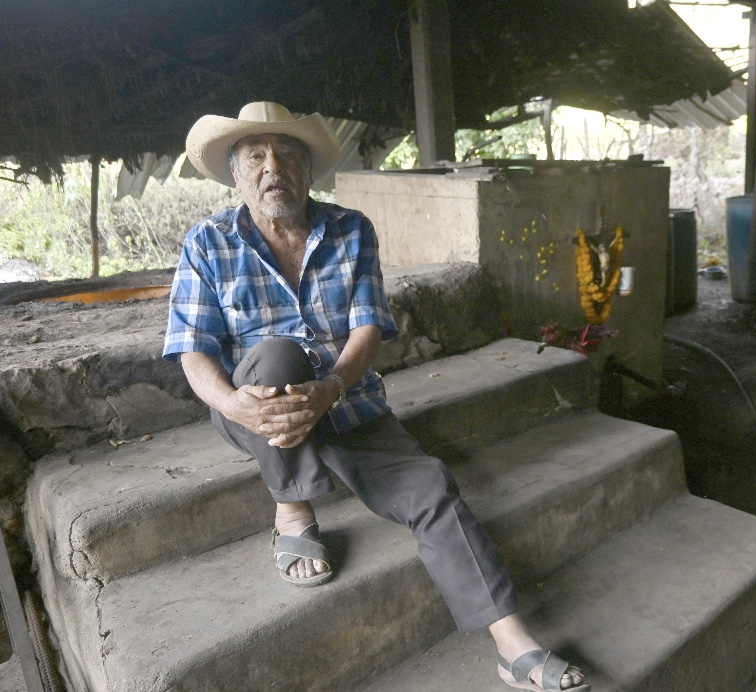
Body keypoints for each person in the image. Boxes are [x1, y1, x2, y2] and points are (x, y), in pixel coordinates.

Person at [163, 101, 589, 692]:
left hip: (347, 402)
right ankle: (293, 506)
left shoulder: (350, 229)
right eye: (255, 156)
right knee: (279, 353)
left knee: (432, 486)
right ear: (236, 174)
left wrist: (332, 387)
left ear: (308, 170)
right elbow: (192, 349)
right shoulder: (208, 242)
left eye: (288, 154)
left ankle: (512, 643)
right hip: (256, 411)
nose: (272, 167)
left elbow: (368, 329)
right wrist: (235, 405)